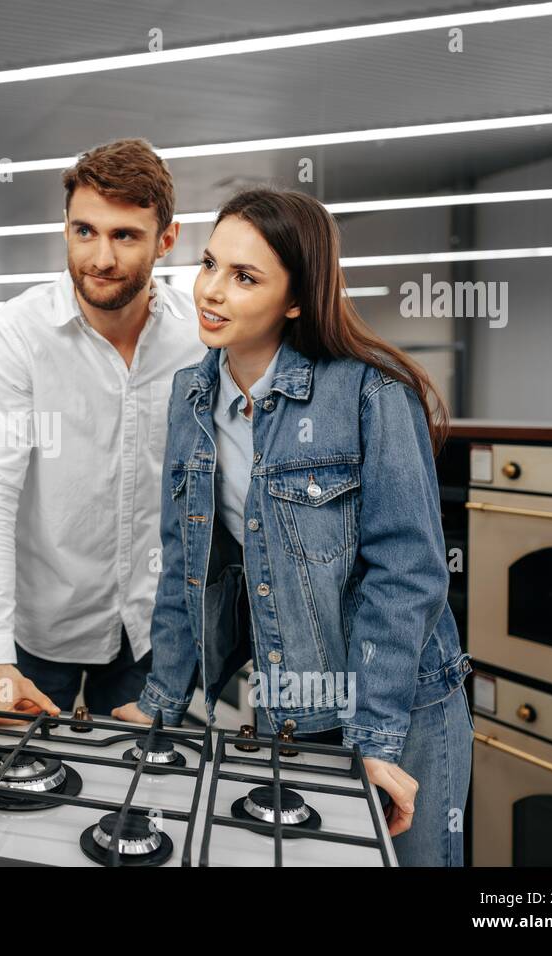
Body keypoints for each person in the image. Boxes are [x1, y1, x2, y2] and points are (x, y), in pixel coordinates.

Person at [112, 187, 475, 867]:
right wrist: (161, 699)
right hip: (293, 709)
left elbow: (409, 574)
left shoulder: (369, 392)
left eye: (245, 277)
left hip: (402, 709)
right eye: (210, 264)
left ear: (297, 300)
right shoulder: (191, 395)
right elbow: (186, 561)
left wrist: (374, 740)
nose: (212, 292)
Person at [0, 138, 202, 725]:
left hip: (154, 630)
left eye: (125, 235)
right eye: (84, 231)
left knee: (144, 803)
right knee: (22, 796)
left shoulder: (200, 338)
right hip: (41, 627)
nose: (100, 257)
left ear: (166, 240)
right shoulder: (14, 336)